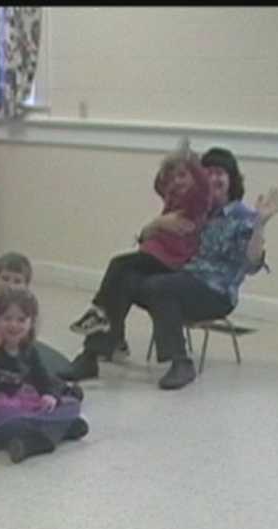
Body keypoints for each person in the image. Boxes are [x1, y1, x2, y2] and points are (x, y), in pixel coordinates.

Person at [61, 141, 214, 379]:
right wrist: (169, 169)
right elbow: (159, 183)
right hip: (153, 255)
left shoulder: (197, 203)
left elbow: (203, 185)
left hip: (171, 261)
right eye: (174, 178)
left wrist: (189, 160)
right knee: (125, 279)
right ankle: (92, 354)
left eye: (184, 176)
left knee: (119, 265)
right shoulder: (172, 197)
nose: (177, 182)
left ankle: (100, 319)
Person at [139, 154, 278, 390]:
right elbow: (162, 190)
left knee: (159, 287)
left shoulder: (241, 217)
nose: (213, 178)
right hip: (185, 278)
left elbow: (251, 263)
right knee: (129, 272)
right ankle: (103, 342)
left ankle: (181, 362)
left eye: (220, 173)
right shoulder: (196, 211)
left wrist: (260, 225)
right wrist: (155, 224)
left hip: (215, 292)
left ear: (231, 180)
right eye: (207, 172)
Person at [0, 288, 89, 463]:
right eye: (7, 318)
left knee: (69, 406)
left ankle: (31, 440)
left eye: (21, 320)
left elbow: (43, 380)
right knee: (14, 422)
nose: (14, 325)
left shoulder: (29, 351)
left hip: (19, 403)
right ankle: (47, 436)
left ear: (30, 323)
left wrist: (50, 395)